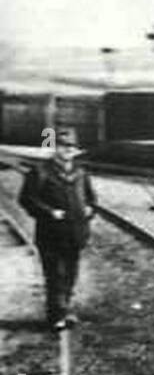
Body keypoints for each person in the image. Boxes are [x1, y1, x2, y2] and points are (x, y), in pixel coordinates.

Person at [18, 128, 97, 331]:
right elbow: (27, 199)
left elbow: (92, 198)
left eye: (71, 147)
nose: (67, 151)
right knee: (54, 275)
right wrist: (49, 212)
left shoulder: (81, 173)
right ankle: (56, 316)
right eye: (63, 147)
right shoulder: (40, 171)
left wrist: (89, 209)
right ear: (55, 148)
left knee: (71, 274)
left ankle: (66, 310)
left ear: (76, 150)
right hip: (50, 234)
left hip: (75, 232)